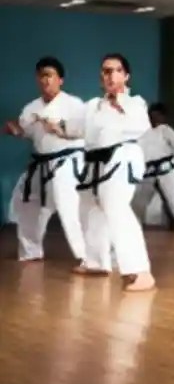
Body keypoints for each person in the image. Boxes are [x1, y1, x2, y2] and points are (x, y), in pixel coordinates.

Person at [62, 54, 155, 291]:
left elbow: (142, 126)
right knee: (90, 209)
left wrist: (119, 102)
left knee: (116, 210)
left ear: (126, 76)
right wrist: (53, 126)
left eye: (117, 70)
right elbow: (74, 130)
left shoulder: (135, 103)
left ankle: (140, 271)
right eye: (106, 71)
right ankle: (96, 262)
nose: (111, 75)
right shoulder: (93, 105)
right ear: (101, 76)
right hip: (94, 163)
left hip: (121, 159)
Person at [5, 57, 88, 266]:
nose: (46, 80)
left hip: (68, 161)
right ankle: (31, 251)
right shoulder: (31, 107)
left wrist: (60, 127)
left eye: (50, 76)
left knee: (68, 205)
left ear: (60, 80)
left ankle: (88, 256)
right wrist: (16, 131)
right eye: (42, 76)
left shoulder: (74, 104)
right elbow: (28, 133)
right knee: (25, 201)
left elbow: (86, 130)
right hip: (41, 163)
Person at [132, 103, 174, 231]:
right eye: (151, 116)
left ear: (163, 117)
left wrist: (172, 163)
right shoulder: (142, 133)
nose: (154, 119)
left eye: (157, 116)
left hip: (166, 168)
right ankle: (135, 225)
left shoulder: (166, 130)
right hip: (147, 169)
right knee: (139, 199)